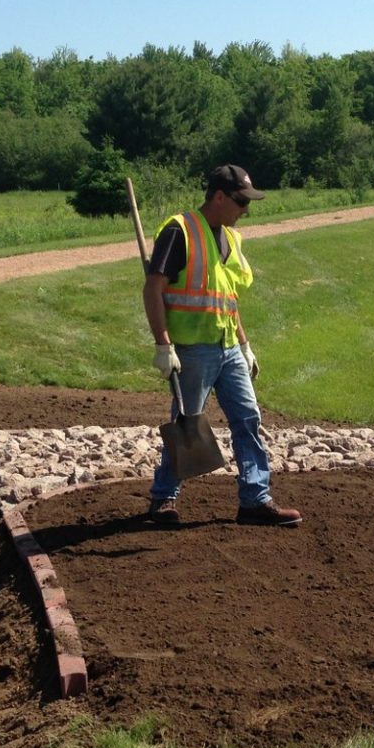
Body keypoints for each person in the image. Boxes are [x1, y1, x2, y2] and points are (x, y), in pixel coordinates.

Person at [142, 165, 301, 528]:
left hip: (229, 347)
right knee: (186, 423)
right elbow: (153, 288)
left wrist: (245, 345)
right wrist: (163, 344)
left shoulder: (230, 237)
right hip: (193, 349)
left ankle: (255, 500)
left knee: (248, 420)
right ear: (218, 197)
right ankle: (163, 500)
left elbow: (227, 299)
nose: (246, 209)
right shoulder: (179, 230)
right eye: (241, 201)